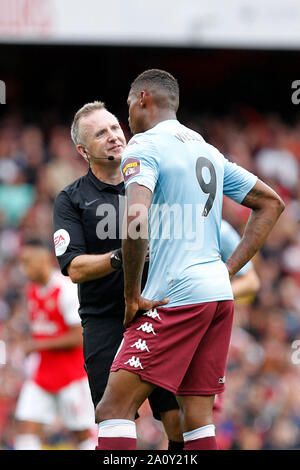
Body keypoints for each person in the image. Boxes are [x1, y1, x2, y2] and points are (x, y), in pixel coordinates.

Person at [95, 69, 284, 451]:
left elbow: (135, 218)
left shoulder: (144, 146)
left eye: (128, 105)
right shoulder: (207, 150)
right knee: (196, 419)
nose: (126, 116)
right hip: (217, 296)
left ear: (144, 98)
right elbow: (271, 202)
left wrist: (132, 294)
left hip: (174, 294)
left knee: (114, 406)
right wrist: (227, 271)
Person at [53, 101, 183, 450]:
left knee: (178, 418)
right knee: (113, 415)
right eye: (100, 133)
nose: (112, 136)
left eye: (114, 127)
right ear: (83, 151)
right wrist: (123, 257)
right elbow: (74, 267)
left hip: (159, 311)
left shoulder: (156, 180)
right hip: (104, 320)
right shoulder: (71, 199)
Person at [14, 238, 95, 450]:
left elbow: (79, 336)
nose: (24, 268)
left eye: (28, 261)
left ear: (44, 260)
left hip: (71, 375)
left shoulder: (64, 289)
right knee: (25, 430)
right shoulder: (32, 291)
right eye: (22, 262)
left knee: (82, 434)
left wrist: (38, 345)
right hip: (43, 374)